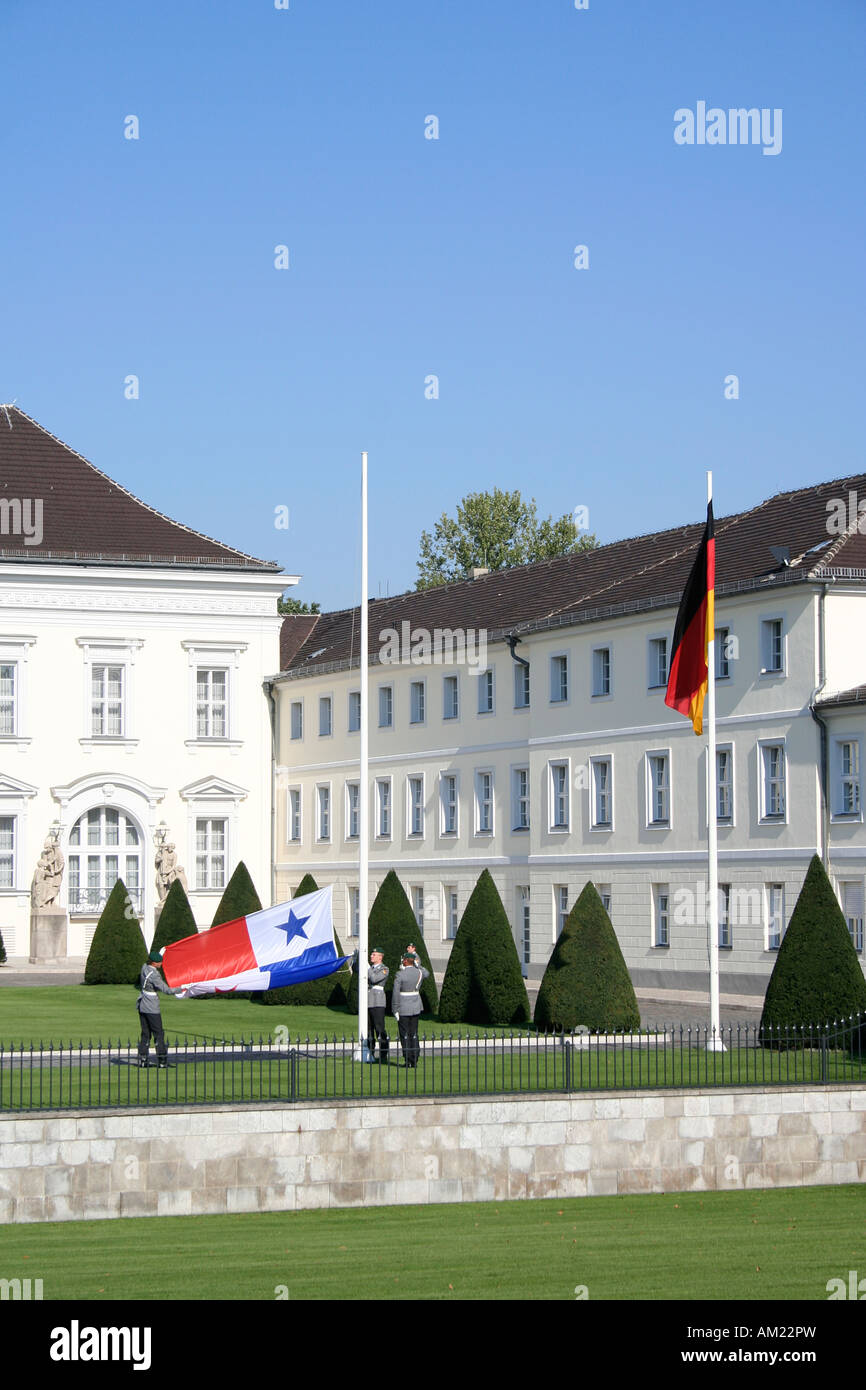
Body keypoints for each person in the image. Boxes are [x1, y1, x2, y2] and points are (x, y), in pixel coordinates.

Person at [136, 948, 185, 1068]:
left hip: (142, 1004)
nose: (161, 964)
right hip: (151, 1006)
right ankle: (162, 1060)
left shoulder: (144, 968)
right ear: (154, 963)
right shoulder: (154, 975)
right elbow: (167, 990)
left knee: (145, 1034)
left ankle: (143, 1059)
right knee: (158, 1033)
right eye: (159, 962)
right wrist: (182, 987)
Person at [391, 943, 429, 1068]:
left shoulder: (400, 974)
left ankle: (408, 1059)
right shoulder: (419, 972)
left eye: (403, 960)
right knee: (414, 1033)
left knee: (405, 1034)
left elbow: (396, 993)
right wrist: (418, 965)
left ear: (406, 961)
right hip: (416, 1006)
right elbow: (426, 973)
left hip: (403, 1006)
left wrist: (395, 1008)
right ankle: (415, 1057)